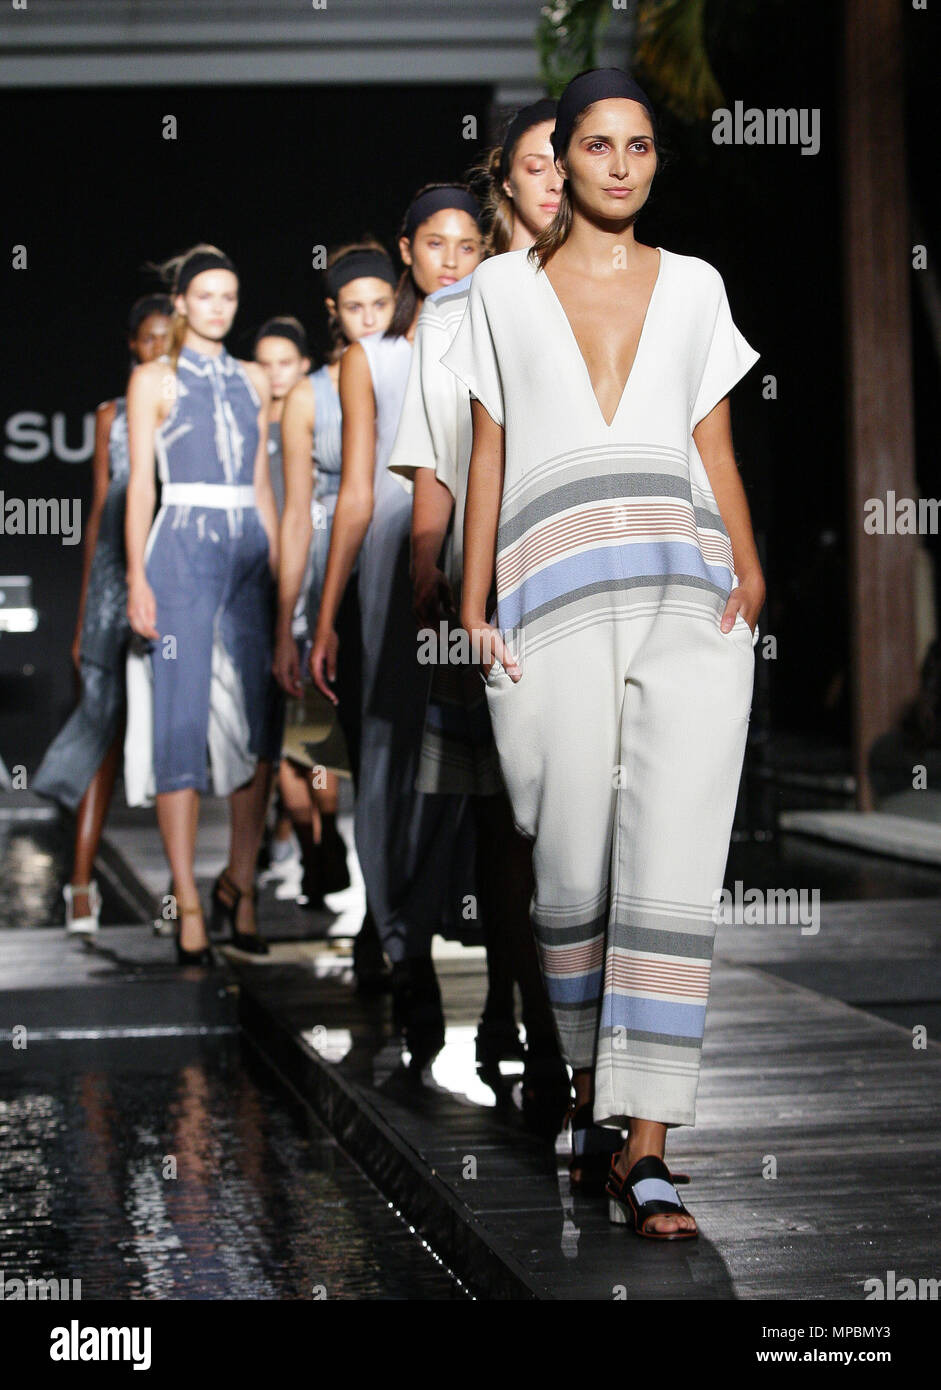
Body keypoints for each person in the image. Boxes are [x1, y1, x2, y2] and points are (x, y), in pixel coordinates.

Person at [445, 69, 764, 1238]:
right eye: (595, 145)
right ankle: (583, 1093)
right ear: (559, 162)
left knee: (672, 856)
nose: (619, 164)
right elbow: (487, 445)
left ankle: (648, 1146)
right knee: (571, 866)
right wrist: (472, 592)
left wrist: (748, 561)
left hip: (683, 588)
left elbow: (709, 437)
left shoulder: (693, 287)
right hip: (550, 600)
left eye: (637, 146)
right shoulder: (495, 292)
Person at [388, 101, 571, 1131]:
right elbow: (434, 467)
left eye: (570, 160)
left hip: (581, 576)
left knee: (571, 815)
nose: (556, 181)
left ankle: (544, 1017)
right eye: (540, 163)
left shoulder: (605, 290)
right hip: (487, 583)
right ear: (503, 175)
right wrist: (430, 562)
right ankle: (528, 1018)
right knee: (507, 818)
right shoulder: (455, 314)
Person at [309, 187, 484, 1066]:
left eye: (468, 245)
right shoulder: (370, 359)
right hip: (388, 546)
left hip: (477, 538)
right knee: (389, 747)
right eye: (436, 245)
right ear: (407, 253)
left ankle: (418, 926)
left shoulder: (495, 344)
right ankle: (401, 942)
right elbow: (350, 493)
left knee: (465, 753)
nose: (452, 259)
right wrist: (320, 615)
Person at [125, 244, 281, 965]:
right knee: (180, 722)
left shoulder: (254, 378)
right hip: (180, 546)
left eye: (230, 295)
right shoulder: (152, 378)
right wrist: (136, 577)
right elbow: (139, 490)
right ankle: (187, 900)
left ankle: (241, 889)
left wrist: (285, 595)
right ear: (180, 303)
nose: (219, 307)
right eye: (206, 295)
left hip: (247, 548)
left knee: (256, 726)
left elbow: (261, 485)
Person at [33, 295, 172, 932]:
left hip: (175, 579)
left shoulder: (192, 413)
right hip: (117, 584)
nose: (158, 349)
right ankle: (82, 883)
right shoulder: (112, 416)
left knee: (177, 738)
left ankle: (186, 901)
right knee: (105, 730)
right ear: (132, 345)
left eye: (168, 339)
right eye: (148, 339)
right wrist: (88, 606)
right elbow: (97, 512)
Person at [272, 249, 399, 939]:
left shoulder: (413, 367)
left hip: (403, 555)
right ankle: (331, 858)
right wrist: (287, 622)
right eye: (355, 306)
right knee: (324, 742)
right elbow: (296, 512)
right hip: (330, 568)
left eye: (381, 301)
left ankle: (386, 915)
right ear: (335, 313)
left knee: (390, 748)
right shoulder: (308, 393)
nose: (371, 316)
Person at [254, 315, 351, 909]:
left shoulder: (321, 410)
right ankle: (318, 851)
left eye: (285, 362)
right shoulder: (243, 427)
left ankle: (324, 843)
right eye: (264, 364)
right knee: (284, 739)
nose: (275, 374)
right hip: (256, 586)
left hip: (310, 574)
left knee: (314, 733)